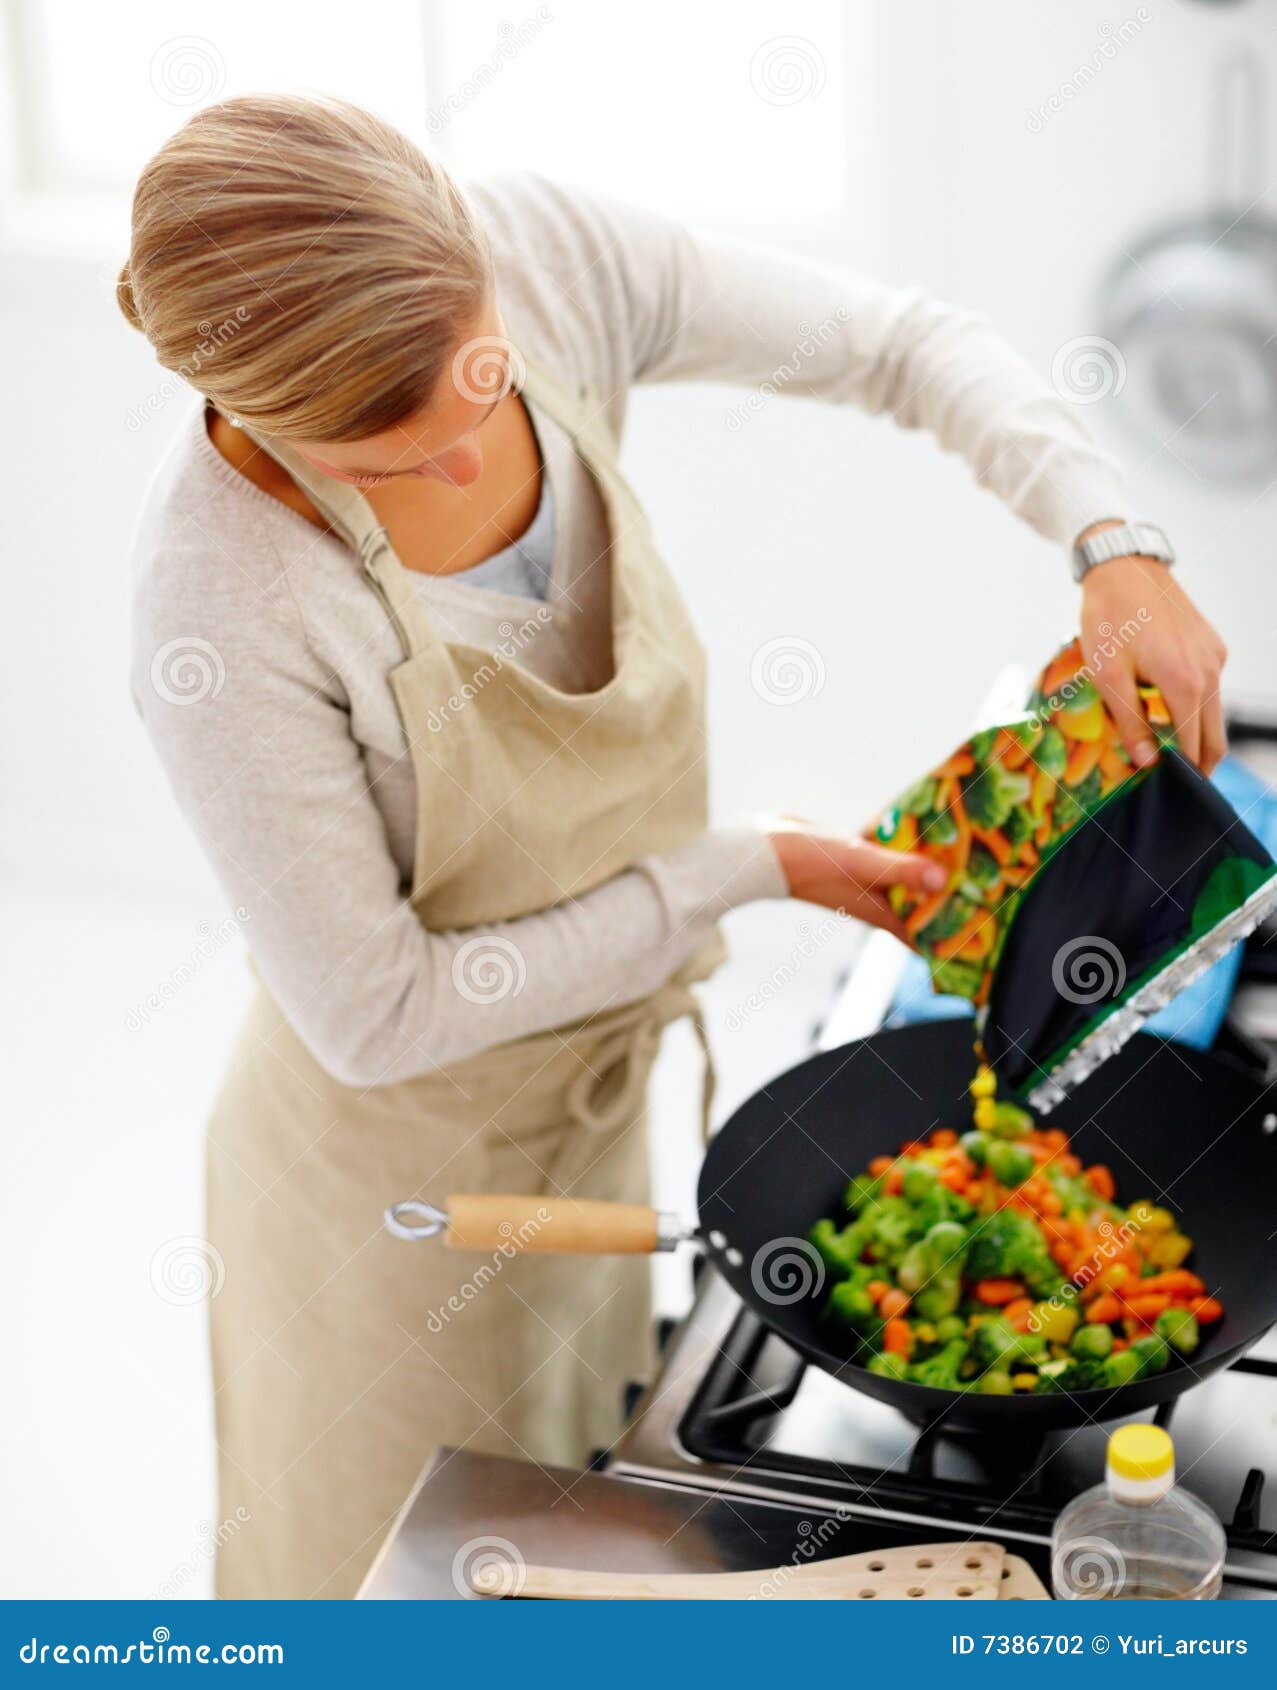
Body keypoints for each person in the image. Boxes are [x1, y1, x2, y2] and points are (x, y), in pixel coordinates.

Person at [121, 94, 1226, 1597]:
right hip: (384, 1185)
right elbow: (376, 1012)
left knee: (579, 1519)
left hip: (589, 1097)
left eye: (481, 382)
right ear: (254, 416)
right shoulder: (218, 602)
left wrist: (1113, 542)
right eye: (384, 458)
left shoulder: (543, 252)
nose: (463, 467)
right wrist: (740, 867)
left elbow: (899, 343)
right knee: (400, 1603)